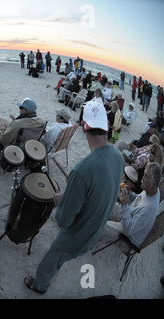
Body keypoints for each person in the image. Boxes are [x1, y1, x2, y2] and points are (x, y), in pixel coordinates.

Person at [24, 101, 124, 294]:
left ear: (85, 126)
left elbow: (63, 219)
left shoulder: (83, 169)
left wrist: (60, 199)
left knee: (51, 260)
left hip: (78, 235)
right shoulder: (117, 155)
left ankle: (40, 286)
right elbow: (104, 190)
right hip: (97, 230)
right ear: (106, 125)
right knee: (60, 259)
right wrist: (76, 190)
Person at [100, 162, 161, 248]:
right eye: (144, 174)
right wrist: (131, 194)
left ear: (153, 183)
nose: (142, 178)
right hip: (128, 215)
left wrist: (124, 205)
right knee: (106, 201)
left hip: (128, 236)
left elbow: (128, 229)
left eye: (146, 176)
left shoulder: (149, 208)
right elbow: (140, 199)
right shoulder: (153, 190)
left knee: (100, 225)